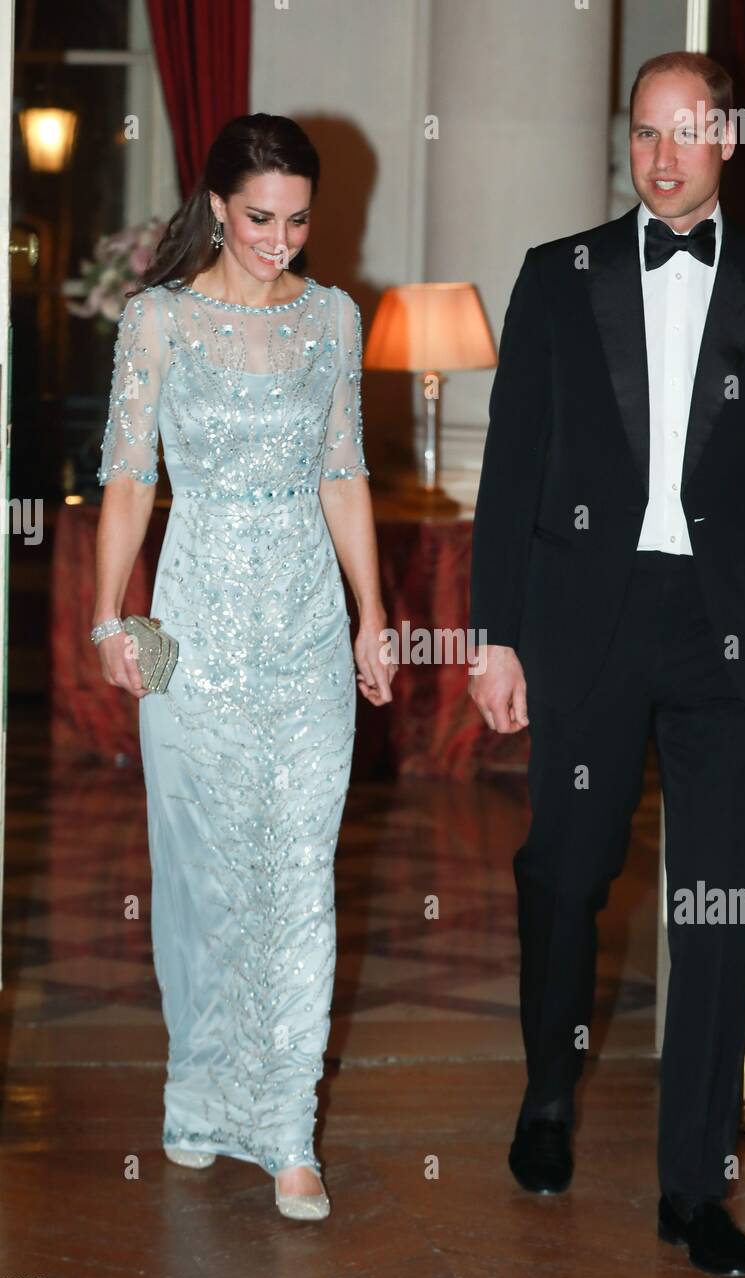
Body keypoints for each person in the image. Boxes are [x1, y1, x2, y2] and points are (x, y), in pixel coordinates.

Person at [468, 51, 745, 1277]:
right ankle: (545, 1094)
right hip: (584, 615)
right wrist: (495, 635)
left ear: (726, 138)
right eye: (643, 133)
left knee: (713, 910)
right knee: (565, 875)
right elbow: (508, 469)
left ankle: (693, 1185)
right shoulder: (554, 275)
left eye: (685, 133)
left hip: (728, 634)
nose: (661, 155)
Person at [92, 113, 394, 1221]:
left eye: (298, 218)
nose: (280, 238)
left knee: (297, 874)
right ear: (217, 206)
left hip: (307, 629)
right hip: (184, 626)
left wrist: (371, 615)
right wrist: (104, 617)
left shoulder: (331, 316)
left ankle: (284, 1127)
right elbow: (128, 477)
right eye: (259, 217)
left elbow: (343, 469)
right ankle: (199, 1089)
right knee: (201, 870)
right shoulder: (157, 319)